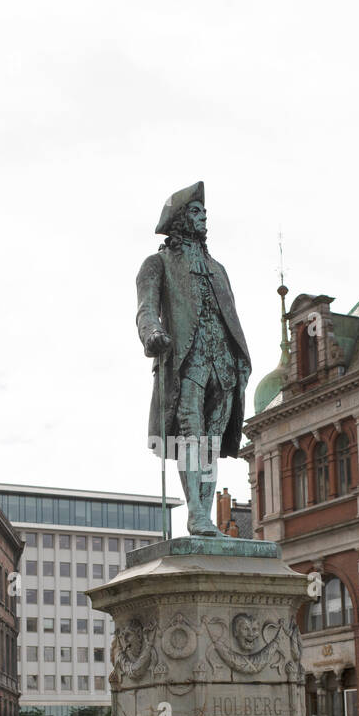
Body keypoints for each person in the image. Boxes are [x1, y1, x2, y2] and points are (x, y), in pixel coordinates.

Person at [136, 182, 251, 534]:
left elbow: (229, 315)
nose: (204, 218)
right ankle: (197, 513)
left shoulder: (218, 269)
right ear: (181, 220)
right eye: (197, 212)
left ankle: (204, 514)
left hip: (225, 364)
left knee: (211, 445)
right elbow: (145, 311)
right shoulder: (158, 264)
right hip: (188, 362)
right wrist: (153, 334)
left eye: (204, 212)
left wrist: (239, 357)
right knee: (190, 436)